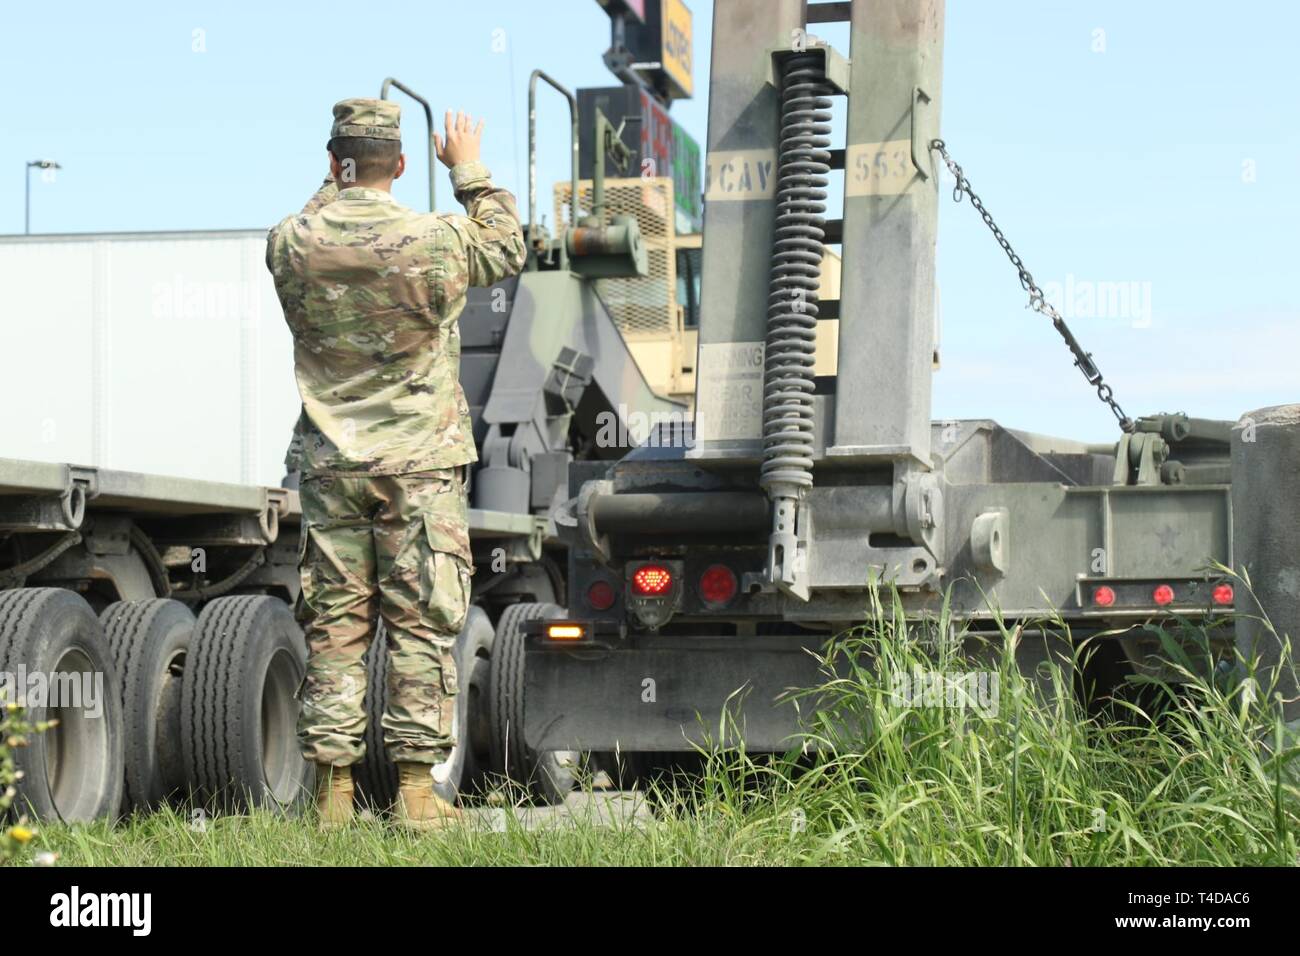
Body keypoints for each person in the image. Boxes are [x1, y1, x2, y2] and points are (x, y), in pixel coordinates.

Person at [266, 98, 527, 829]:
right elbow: (506, 245)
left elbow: (317, 213)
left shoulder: (292, 242)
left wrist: (334, 183)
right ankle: (416, 794)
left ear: (332, 162)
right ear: (404, 165)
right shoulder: (436, 240)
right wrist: (467, 168)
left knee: (336, 625)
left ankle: (333, 799)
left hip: (331, 465)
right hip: (418, 463)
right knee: (421, 621)